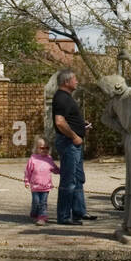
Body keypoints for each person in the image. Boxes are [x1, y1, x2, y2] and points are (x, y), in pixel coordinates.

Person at [51, 69, 95, 224]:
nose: (77, 82)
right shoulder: (61, 98)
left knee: (78, 178)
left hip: (74, 144)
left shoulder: (67, 98)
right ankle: (64, 216)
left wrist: (81, 125)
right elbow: (59, 122)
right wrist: (74, 136)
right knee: (68, 180)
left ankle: (79, 212)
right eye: (75, 79)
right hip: (69, 143)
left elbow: (68, 119)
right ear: (66, 82)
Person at [23, 137, 59, 225]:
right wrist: (26, 181)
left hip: (46, 186)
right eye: (42, 148)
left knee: (43, 202)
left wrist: (61, 171)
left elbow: (54, 168)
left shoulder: (49, 158)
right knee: (36, 202)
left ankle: (42, 217)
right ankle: (34, 213)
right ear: (36, 148)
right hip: (35, 186)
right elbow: (28, 171)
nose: (45, 150)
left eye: (47, 148)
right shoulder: (33, 159)